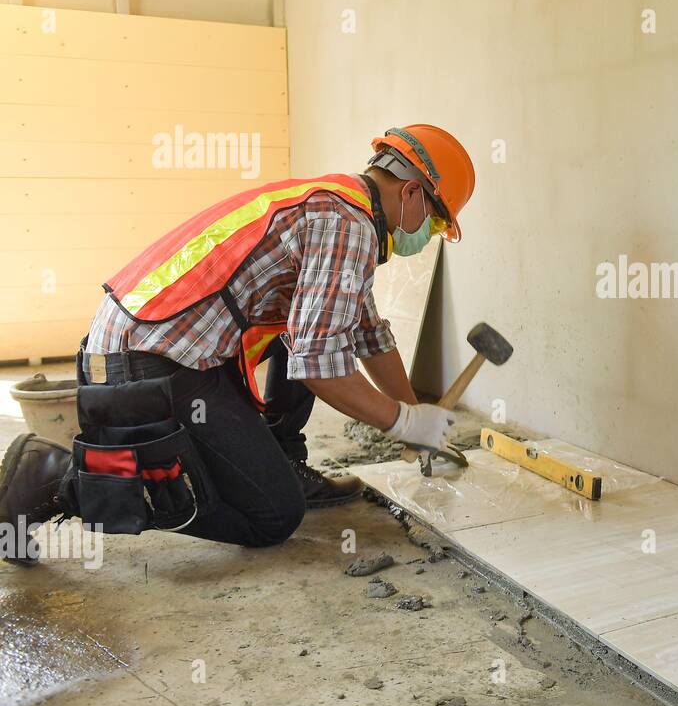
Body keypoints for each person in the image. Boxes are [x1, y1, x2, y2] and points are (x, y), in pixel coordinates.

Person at [0, 124, 473, 562]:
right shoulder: (346, 223)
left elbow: (364, 332)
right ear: (412, 191)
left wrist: (417, 417)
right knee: (272, 517)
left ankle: (281, 458)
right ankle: (56, 479)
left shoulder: (339, 202)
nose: (427, 236)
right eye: (434, 223)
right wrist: (403, 421)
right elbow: (318, 364)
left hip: (159, 344)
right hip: (147, 363)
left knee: (318, 326)